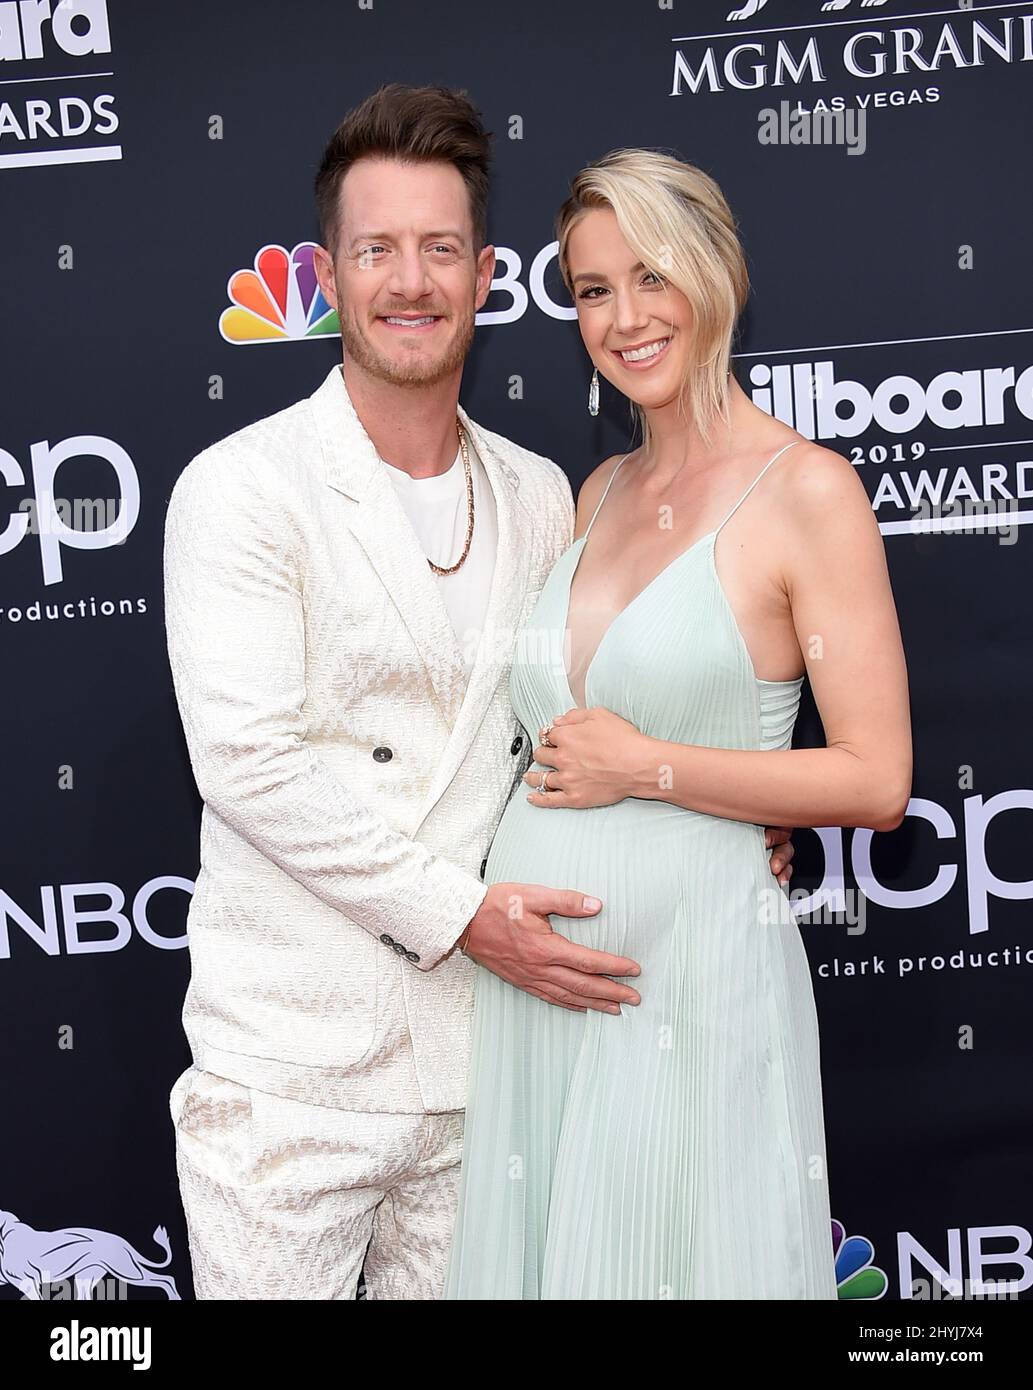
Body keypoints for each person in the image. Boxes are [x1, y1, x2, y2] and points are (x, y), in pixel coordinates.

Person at [163, 85, 796, 1300]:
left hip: (490, 1063)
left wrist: (725, 808)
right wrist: (463, 913)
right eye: (377, 250)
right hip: (293, 1075)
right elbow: (249, 765)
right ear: (330, 273)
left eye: (440, 249)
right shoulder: (239, 490)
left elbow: (593, 718)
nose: (411, 281)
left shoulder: (544, 495)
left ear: (487, 274)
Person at [442, 148, 912, 1300]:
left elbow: (874, 778)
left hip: (690, 980)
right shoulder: (593, 495)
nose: (624, 317)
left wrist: (651, 768)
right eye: (593, 290)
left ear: (719, 275)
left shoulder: (805, 491)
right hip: (541, 995)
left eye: (651, 277)